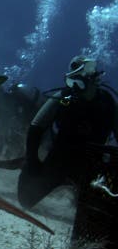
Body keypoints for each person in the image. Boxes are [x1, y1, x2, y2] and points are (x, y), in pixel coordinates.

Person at [18, 56, 118, 209]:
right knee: (25, 200)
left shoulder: (108, 103)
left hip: (91, 166)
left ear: (95, 79)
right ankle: (24, 166)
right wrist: (32, 160)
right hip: (60, 161)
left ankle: (78, 194)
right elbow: (36, 127)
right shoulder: (64, 98)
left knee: (96, 211)